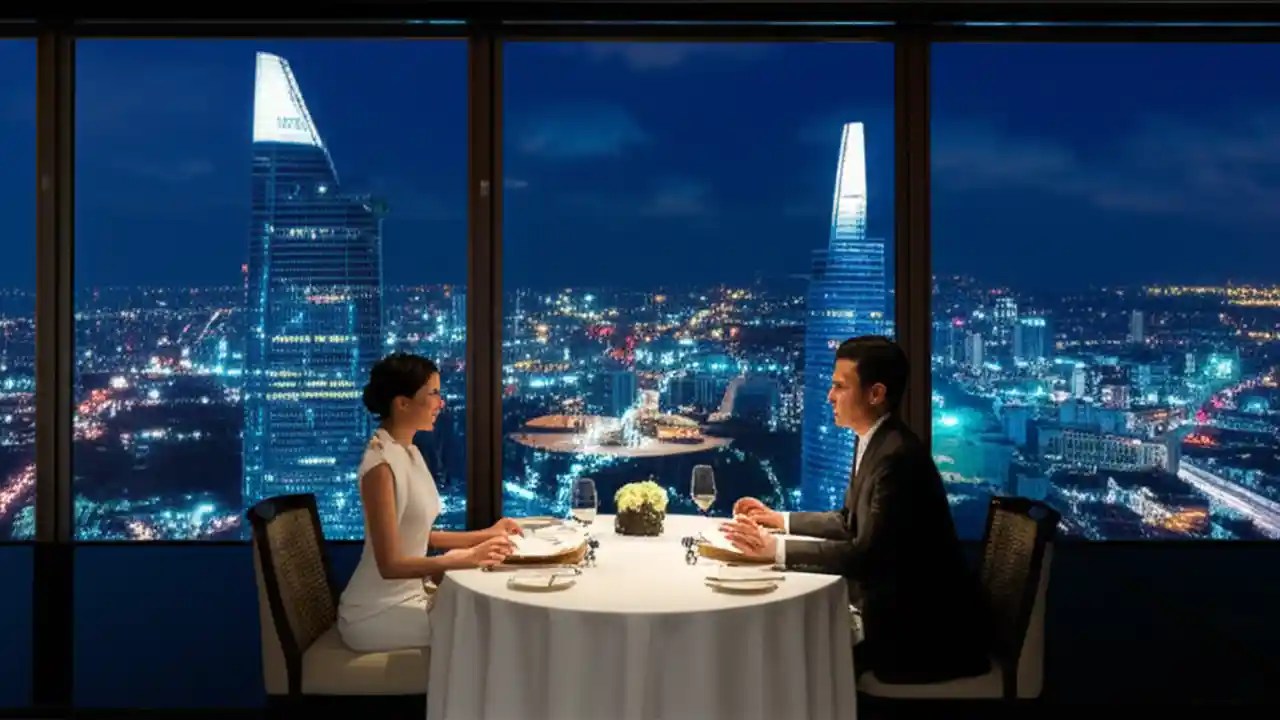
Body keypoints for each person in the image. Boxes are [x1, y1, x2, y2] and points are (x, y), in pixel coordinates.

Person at [721, 336, 991, 683]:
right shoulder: (875, 441)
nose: (830, 396)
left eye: (839, 386)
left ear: (875, 394)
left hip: (916, 638)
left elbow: (868, 556)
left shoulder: (898, 459)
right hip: (899, 616)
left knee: (776, 650)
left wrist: (774, 549)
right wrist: (780, 521)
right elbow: (849, 522)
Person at [337, 352, 521, 653]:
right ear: (402, 403)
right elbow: (390, 564)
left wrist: (487, 534)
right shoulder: (380, 466)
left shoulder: (408, 452)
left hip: (411, 596)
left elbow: (420, 535)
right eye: (433, 393)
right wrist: (465, 557)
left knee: (492, 619)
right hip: (376, 611)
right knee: (489, 632)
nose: (441, 402)